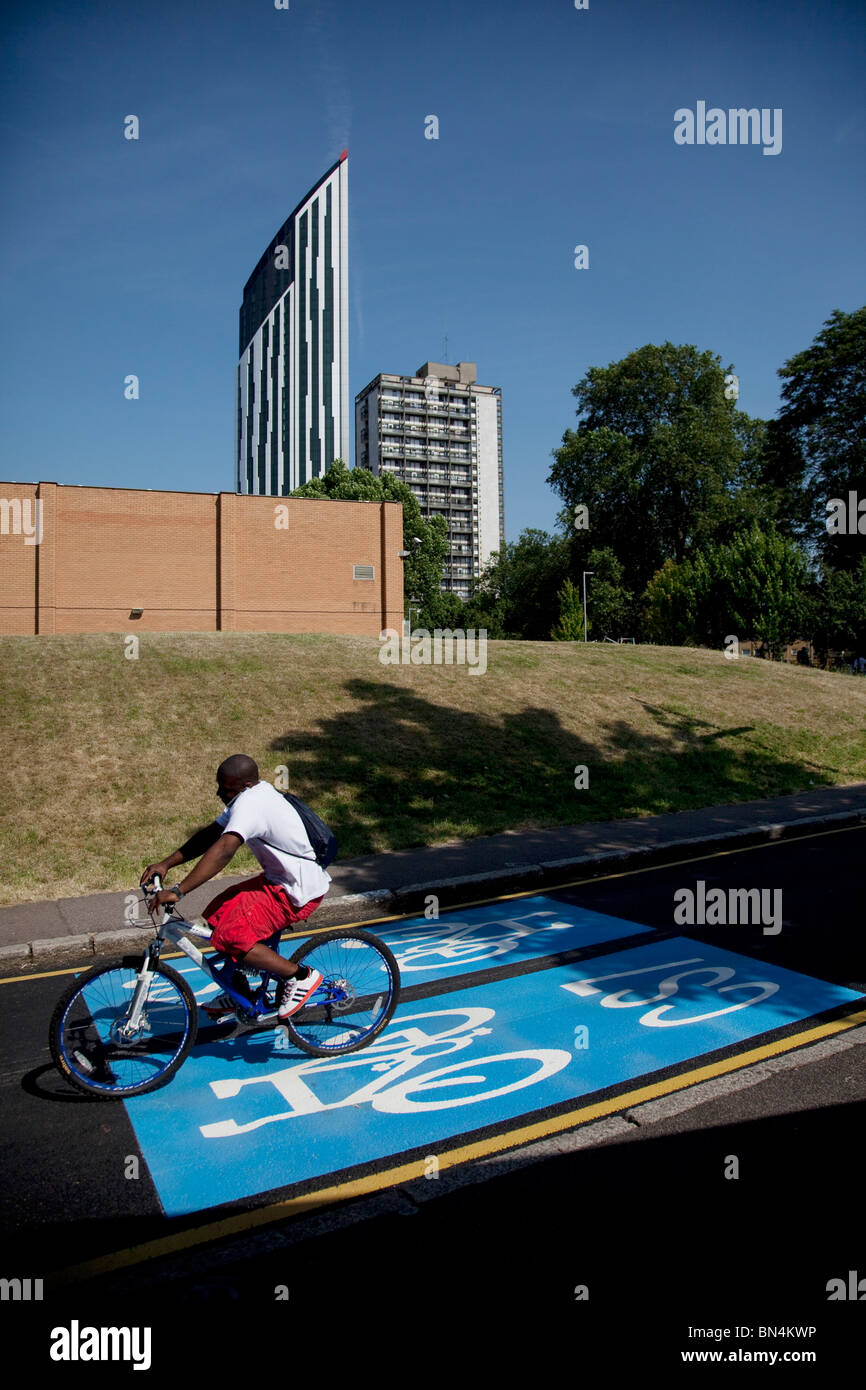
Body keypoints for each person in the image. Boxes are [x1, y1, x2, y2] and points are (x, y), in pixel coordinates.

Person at [140, 754, 329, 1020]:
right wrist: (166, 863)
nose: (219, 793)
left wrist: (179, 890)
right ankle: (238, 987)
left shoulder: (251, 804)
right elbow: (211, 835)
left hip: (296, 891)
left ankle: (300, 977)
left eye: (225, 788)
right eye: (219, 786)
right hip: (278, 881)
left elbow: (224, 848)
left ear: (245, 785)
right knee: (220, 911)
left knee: (231, 935)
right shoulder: (248, 795)